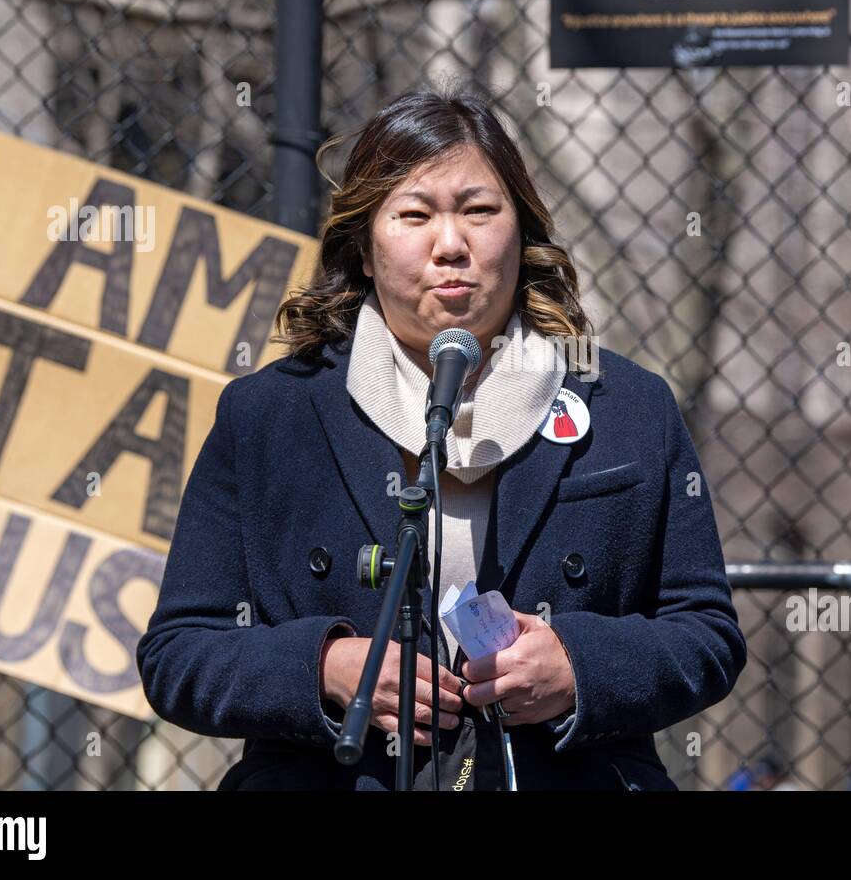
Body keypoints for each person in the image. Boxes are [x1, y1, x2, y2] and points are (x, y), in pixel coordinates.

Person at [135, 80, 747, 790]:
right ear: (364, 249)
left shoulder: (628, 409)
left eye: (480, 212)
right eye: (414, 215)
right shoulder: (269, 417)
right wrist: (328, 669)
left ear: (520, 232)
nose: (450, 245)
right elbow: (178, 655)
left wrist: (580, 666)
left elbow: (706, 634)